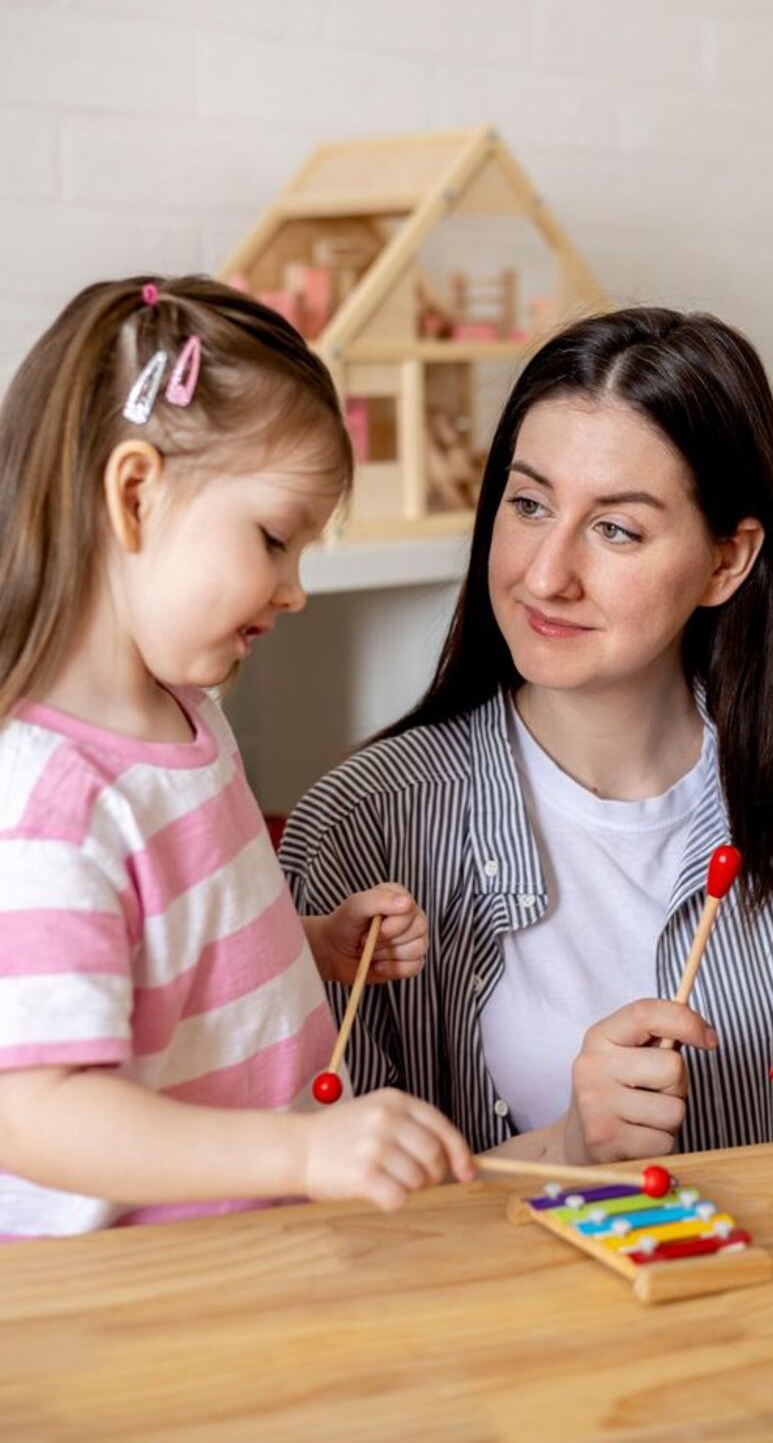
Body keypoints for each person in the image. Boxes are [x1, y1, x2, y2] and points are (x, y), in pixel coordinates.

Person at [281, 306, 773, 1164]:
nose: (544, 573)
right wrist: (564, 1146)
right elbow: (322, 1218)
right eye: (528, 504)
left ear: (727, 561)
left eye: (615, 529)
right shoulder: (361, 824)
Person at [0, 274, 474, 1241]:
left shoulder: (190, 718)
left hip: (249, 1239)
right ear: (135, 495)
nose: (295, 590)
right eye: (273, 539)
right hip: (132, 1302)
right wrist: (302, 1151)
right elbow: (32, 1109)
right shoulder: (52, 804)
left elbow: (176, 953)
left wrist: (313, 940)